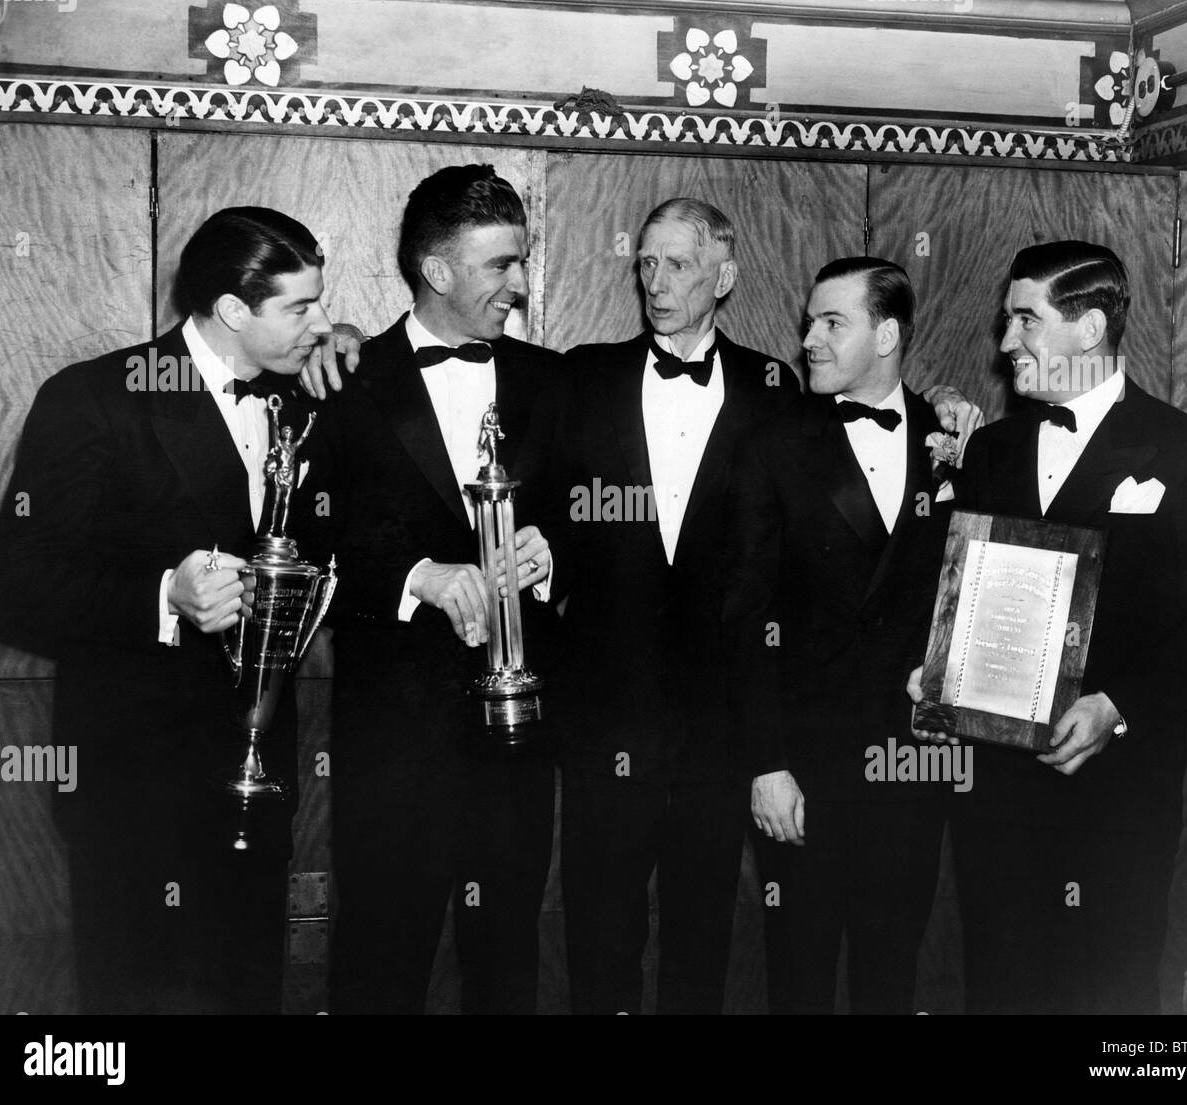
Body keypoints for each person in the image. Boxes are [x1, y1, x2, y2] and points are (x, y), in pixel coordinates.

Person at [540, 201, 981, 1014]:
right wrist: (351, 348)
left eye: (677, 264)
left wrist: (945, 405)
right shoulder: (580, 374)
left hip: (724, 727)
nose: (656, 281)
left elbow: (873, 426)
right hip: (609, 717)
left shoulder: (780, 392)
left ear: (725, 277)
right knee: (598, 935)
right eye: (645, 263)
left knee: (704, 938)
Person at [0, 207, 344, 1013]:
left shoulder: (303, 400)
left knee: (249, 991)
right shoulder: (93, 398)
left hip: (256, 778)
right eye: (302, 307)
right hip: (133, 791)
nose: (323, 324)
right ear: (234, 310)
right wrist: (163, 599)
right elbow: (10, 589)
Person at [909, 240, 1187, 1014]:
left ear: (1090, 326)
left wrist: (1117, 705)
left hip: (1118, 806)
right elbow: (964, 596)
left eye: (1024, 320)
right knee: (998, 990)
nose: (1005, 345)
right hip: (995, 803)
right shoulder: (992, 451)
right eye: (1007, 321)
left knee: (1107, 998)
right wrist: (936, 668)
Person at [325, 164, 559, 1014]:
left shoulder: (552, 381)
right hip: (392, 748)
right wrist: (415, 577)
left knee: (507, 960)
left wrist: (552, 554)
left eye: (522, 261)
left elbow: (603, 521)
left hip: (518, 747)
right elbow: (304, 543)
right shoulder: (340, 381)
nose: (521, 284)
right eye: (502, 264)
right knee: (380, 959)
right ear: (437, 269)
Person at [723, 258, 961, 1014]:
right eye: (808, 322)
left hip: (913, 766)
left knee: (890, 973)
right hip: (804, 771)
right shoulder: (772, 444)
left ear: (887, 334)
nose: (808, 341)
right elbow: (741, 616)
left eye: (833, 323)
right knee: (798, 974)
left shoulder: (957, 442)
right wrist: (765, 763)